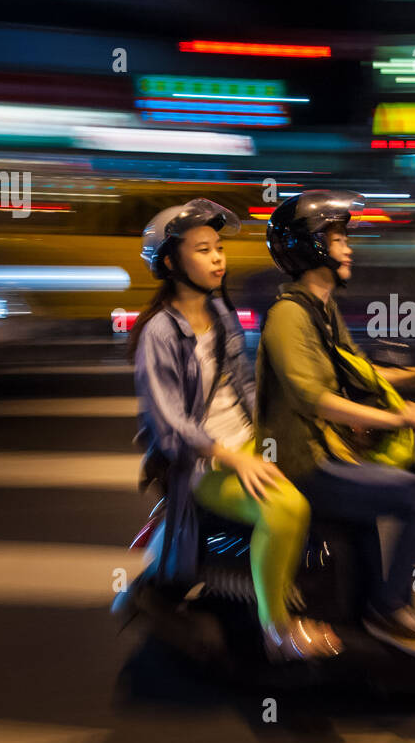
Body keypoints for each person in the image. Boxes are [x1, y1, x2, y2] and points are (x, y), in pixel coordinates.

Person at [130, 198, 340, 661]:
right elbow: (169, 425)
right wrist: (234, 457)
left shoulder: (221, 316)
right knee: (286, 510)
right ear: (170, 262)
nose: (218, 258)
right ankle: (276, 629)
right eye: (203, 249)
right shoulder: (160, 334)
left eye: (218, 247)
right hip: (204, 462)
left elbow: (244, 387)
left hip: (247, 440)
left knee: (340, 473)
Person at [256, 189, 415, 656]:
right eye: (339, 237)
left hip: (335, 447)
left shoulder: (319, 310)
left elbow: (357, 369)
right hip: (307, 461)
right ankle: (389, 607)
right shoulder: (288, 317)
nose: (349, 247)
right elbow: (316, 398)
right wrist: (397, 415)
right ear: (311, 246)